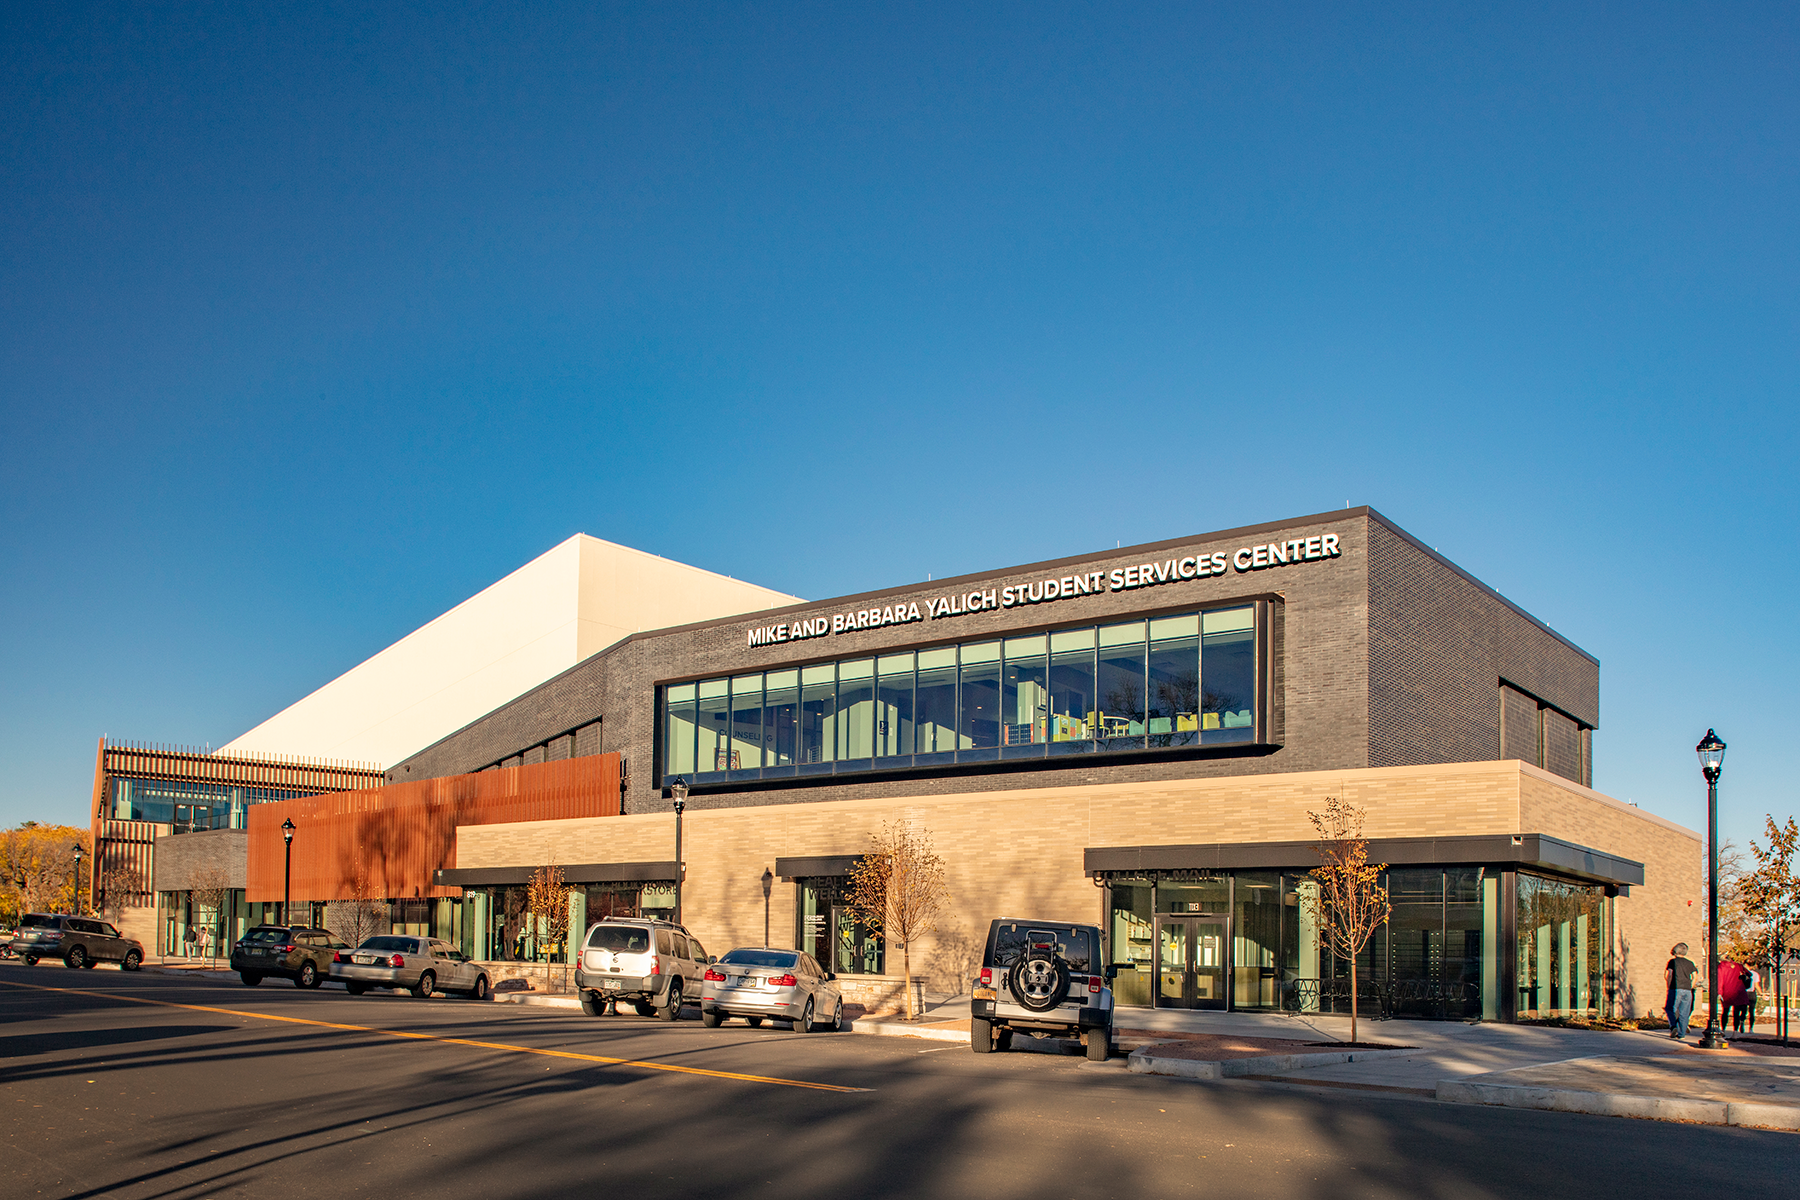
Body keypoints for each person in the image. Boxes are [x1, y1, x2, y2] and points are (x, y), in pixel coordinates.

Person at [1666, 943, 1699, 1040]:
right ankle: (1682, 1034)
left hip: (1676, 988)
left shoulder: (1672, 962)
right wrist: (1691, 986)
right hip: (1687, 989)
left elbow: (1670, 975)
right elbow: (1694, 976)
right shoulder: (1690, 963)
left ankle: (1673, 1026)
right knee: (1684, 1012)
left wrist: (1669, 987)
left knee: (1670, 1008)